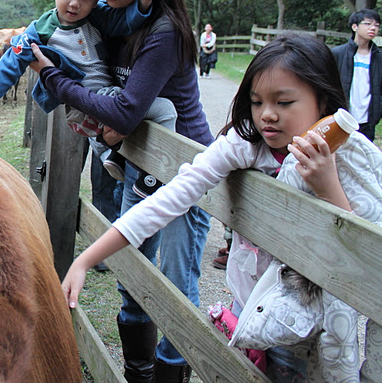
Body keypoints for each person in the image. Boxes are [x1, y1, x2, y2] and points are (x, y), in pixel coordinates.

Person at [58, 33, 382, 382]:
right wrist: (86, 259)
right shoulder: (244, 145)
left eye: (284, 102)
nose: (266, 116)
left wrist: (327, 184)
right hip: (250, 303)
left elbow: (364, 256)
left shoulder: (348, 156)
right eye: (256, 103)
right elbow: (170, 198)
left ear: (324, 102)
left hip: (311, 323)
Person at [29, 0, 213, 382]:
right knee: (132, 278)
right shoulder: (111, 21)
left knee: (174, 286)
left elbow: (126, 112)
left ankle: (170, 375)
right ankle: (138, 374)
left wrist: (53, 77)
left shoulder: (164, 31)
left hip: (182, 171)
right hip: (138, 165)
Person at [0, 0, 176, 183]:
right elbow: (9, 64)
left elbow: (126, 23)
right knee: (160, 110)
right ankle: (142, 166)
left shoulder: (98, 16)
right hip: (82, 106)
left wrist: (144, 0)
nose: (75, 4)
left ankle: (118, 159)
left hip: (107, 99)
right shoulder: (39, 31)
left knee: (141, 115)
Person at [331, 8, 381, 142]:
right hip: (342, 117)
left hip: (368, 120)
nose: (373, 28)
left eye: (376, 25)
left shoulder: (379, 58)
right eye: (368, 23)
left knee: (363, 159)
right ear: (355, 27)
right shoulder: (338, 53)